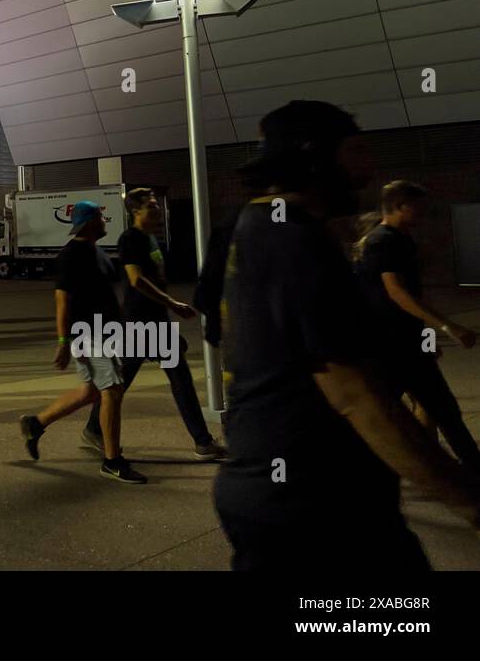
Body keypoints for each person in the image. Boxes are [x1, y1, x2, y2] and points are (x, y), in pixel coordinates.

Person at [215, 101, 480, 571]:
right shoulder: (294, 238)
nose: (368, 168)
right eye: (356, 151)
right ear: (315, 157)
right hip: (315, 512)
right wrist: (466, 500)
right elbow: (355, 396)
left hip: (291, 499)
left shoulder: (257, 224)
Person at [80, 189, 226, 460]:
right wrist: (173, 304)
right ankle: (81, 427)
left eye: (157, 205)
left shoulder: (150, 239)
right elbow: (136, 280)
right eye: (151, 206)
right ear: (136, 211)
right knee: (123, 383)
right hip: (139, 324)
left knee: (166, 379)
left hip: (155, 322)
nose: (157, 210)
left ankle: (202, 441)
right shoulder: (130, 239)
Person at [355, 179, 478, 471]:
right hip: (388, 345)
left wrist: (426, 338)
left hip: (404, 342)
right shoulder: (383, 241)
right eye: (419, 207)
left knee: (439, 408)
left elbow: (410, 296)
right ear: (400, 206)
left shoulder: (400, 239)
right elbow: (397, 293)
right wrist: (448, 327)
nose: (424, 214)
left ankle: (461, 466)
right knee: (393, 412)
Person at [19, 201, 146, 483]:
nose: (104, 221)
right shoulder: (70, 256)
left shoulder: (96, 252)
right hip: (89, 334)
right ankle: (113, 462)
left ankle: (35, 423)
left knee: (90, 392)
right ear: (89, 222)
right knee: (112, 390)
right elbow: (62, 301)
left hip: (105, 333)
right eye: (100, 217)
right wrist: (63, 341)